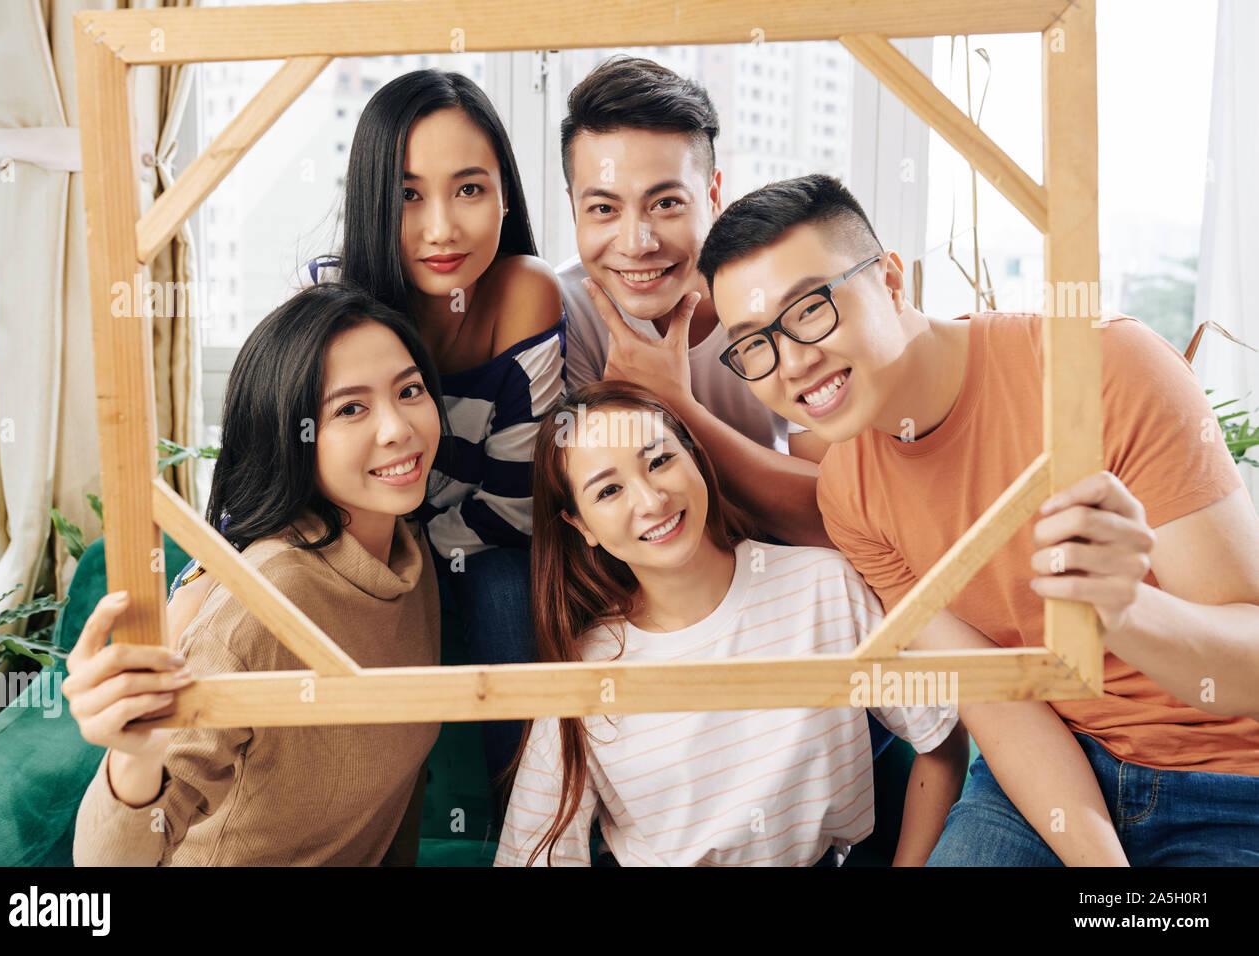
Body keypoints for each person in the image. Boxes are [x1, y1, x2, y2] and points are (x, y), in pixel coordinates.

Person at [699, 172, 1259, 865]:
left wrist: (1126, 609)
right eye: (754, 343)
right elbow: (998, 701)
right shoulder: (850, 493)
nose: (792, 362)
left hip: (1228, 781)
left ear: (893, 281)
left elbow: (1251, 669)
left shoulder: (1103, 367)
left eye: (810, 308)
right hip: (1045, 777)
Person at [495, 382, 1127, 867]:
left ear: (693, 456)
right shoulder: (584, 667)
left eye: (659, 461)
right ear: (579, 527)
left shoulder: (823, 585)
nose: (651, 500)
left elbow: (941, 742)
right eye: (607, 491)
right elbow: (535, 851)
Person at [170, 70, 565, 809]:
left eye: (469, 189)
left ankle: (532, 826)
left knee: (510, 580)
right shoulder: (334, 309)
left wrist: (410, 534)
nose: (440, 227)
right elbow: (271, 473)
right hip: (360, 544)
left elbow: (516, 509)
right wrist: (206, 578)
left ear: (506, 195)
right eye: (408, 195)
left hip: (477, 549)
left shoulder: (525, 294)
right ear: (371, 202)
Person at [68, 284, 447, 865]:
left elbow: (394, 798)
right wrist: (134, 758)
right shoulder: (268, 597)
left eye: (410, 390)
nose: (398, 428)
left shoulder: (410, 554)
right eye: (350, 408)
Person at [554, 56, 830, 548]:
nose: (637, 243)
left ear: (713, 194)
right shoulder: (561, 311)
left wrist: (679, 407)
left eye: (666, 203)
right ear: (573, 207)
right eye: (603, 209)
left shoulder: (773, 295)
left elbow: (840, 516)